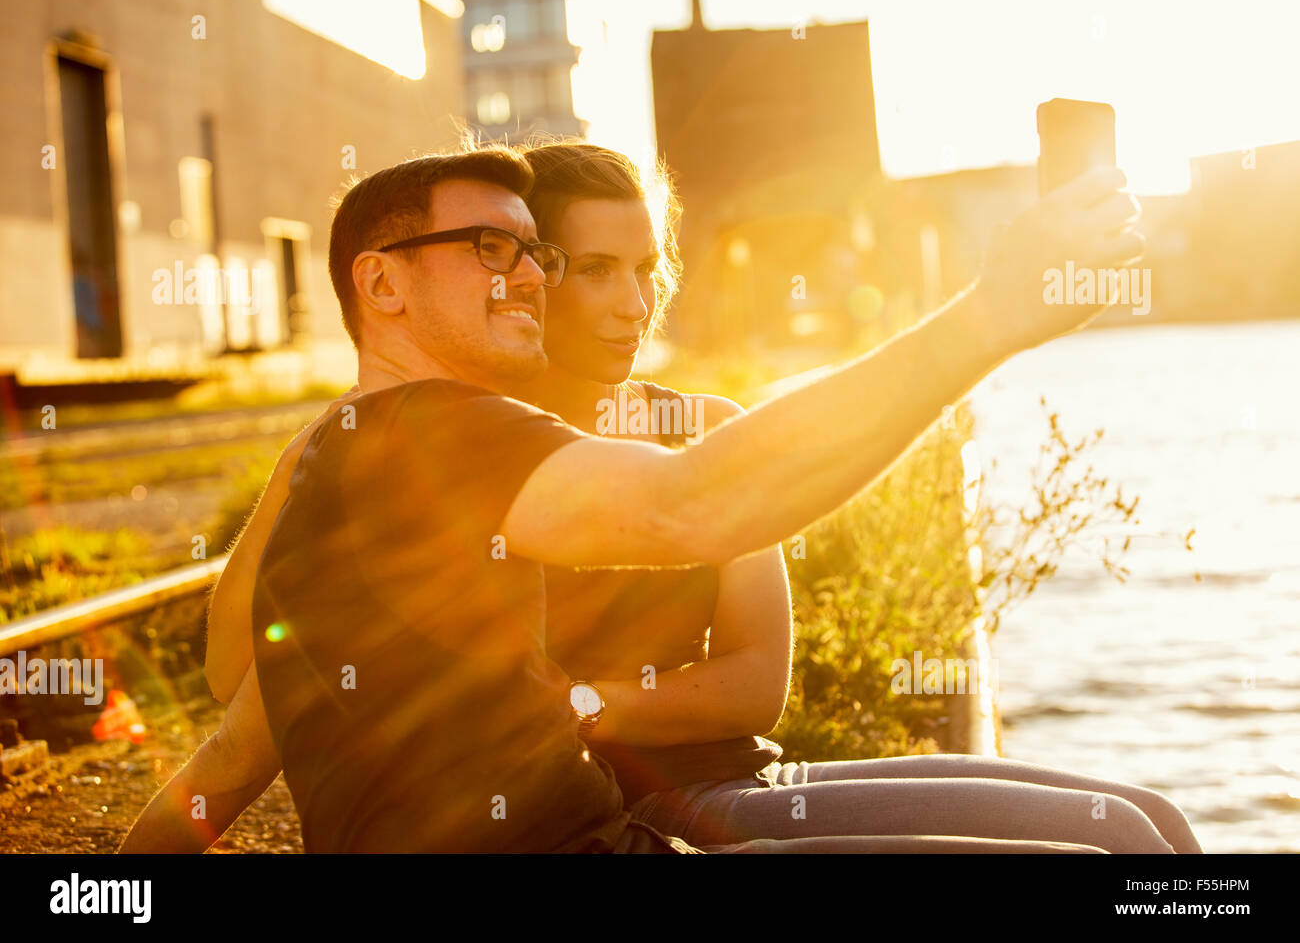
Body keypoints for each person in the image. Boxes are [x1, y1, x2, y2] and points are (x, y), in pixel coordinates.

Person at [121, 140, 1174, 853]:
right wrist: (995, 312)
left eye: (533, 252)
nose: (529, 275)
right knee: (1128, 855)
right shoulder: (418, 432)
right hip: (650, 826)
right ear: (381, 284)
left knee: (1146, 835)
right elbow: (695, 505)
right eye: (493, 250)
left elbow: (231, 750)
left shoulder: (403, 456)